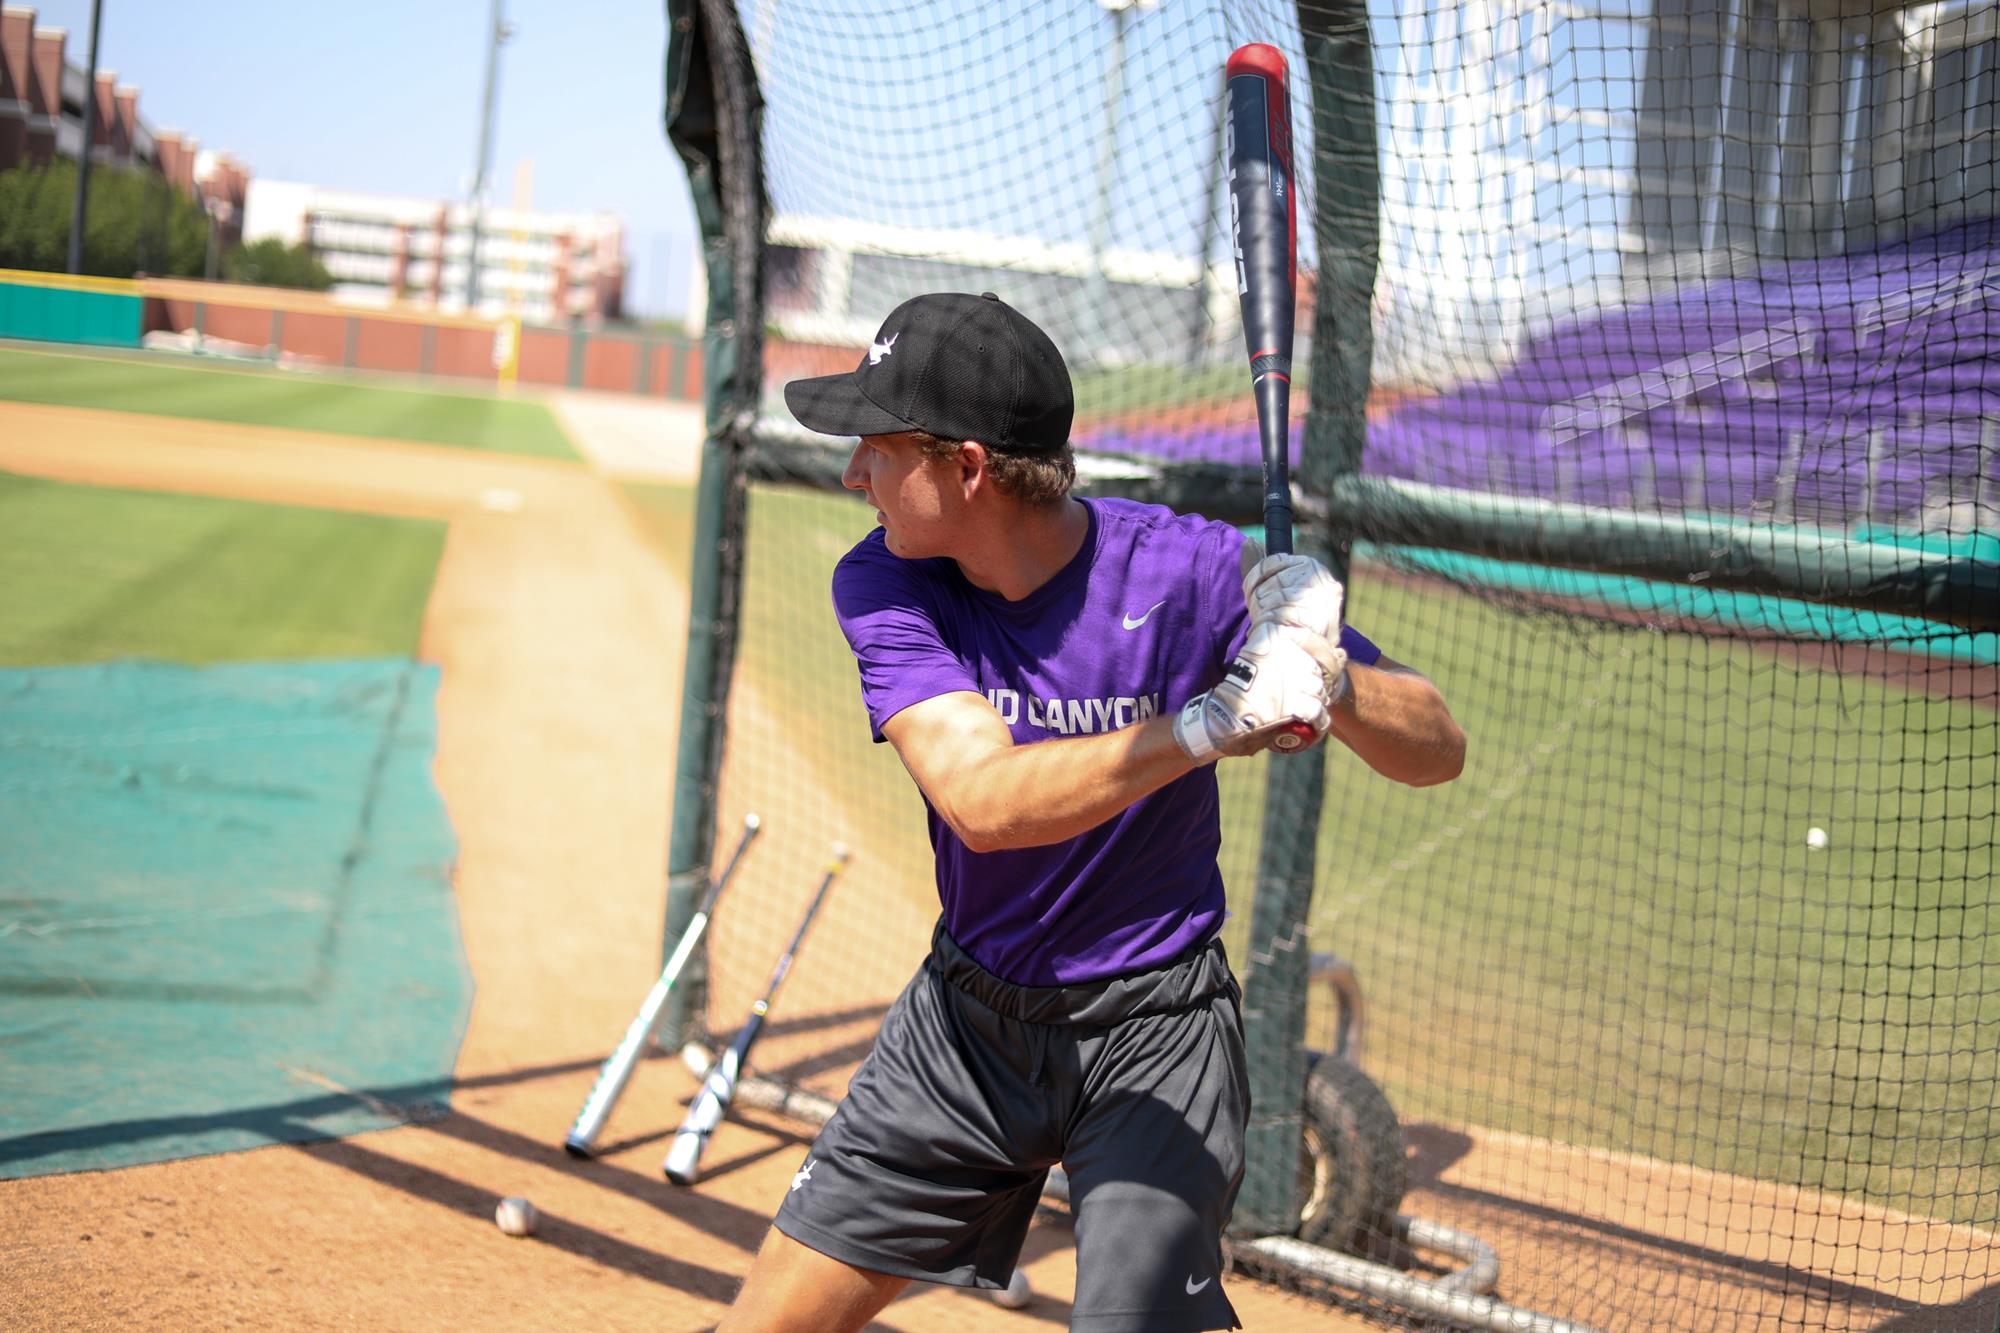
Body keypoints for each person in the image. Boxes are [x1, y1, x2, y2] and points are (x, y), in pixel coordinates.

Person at [721, 291, 1465, 1333]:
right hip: (964, 1026)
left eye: (877, 448)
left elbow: (1436, 746)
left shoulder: (1194, 571)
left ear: (967, 467)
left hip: (1154, 1031)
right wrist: (1207, 724)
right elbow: (984, 802)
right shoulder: (885, 581)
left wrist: (1328, 677)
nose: (853, 475)